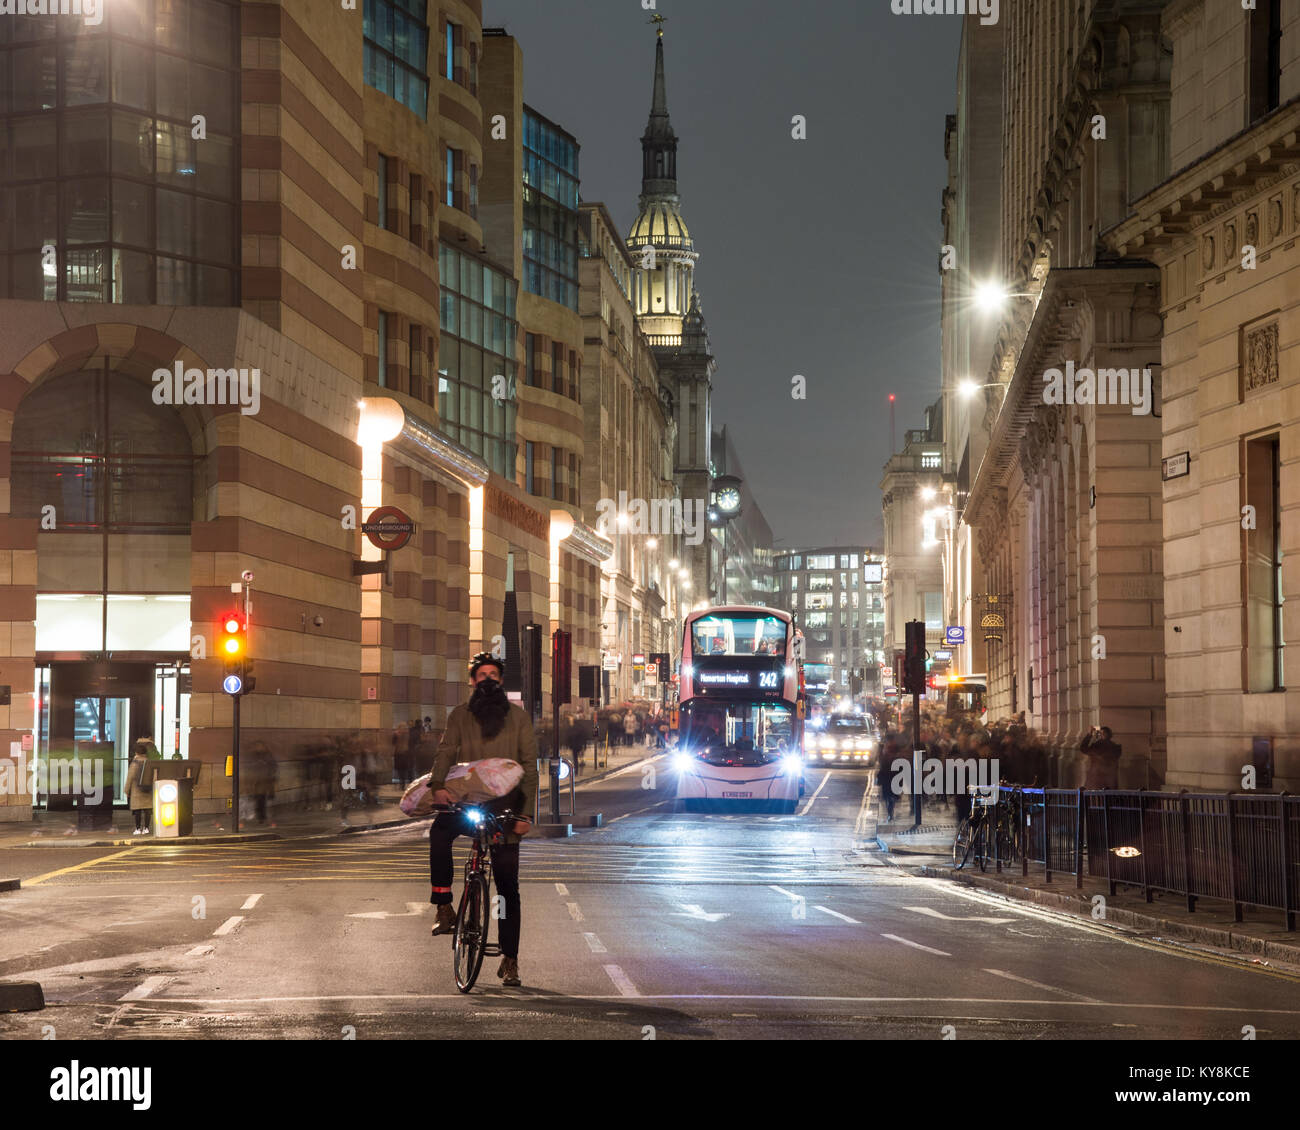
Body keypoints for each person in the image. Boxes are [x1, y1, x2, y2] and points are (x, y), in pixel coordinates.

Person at [427, 652, 538, 988]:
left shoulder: (518, 718)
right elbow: (446, 751)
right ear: (473, 681)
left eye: (494, 674)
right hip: (469, 800)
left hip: (507, 807)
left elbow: (530, 768)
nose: (488, 679)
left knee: (506, 888)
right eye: (482, 675)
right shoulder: (459, 716)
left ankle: (510, 958)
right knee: (439, 832)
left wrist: (527, 813)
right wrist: (437, 785)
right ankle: (444, 904)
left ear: (501, 682)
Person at [125, 740, 155, 835]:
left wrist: (126, 790)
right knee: (147, 810)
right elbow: (154, 776)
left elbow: (130, 777)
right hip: (148, 790)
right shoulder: (149, 763)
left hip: (137, 791)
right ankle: (146, 828)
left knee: (137, 811)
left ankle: (138, 829)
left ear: (136, 752)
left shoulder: (135, 763)